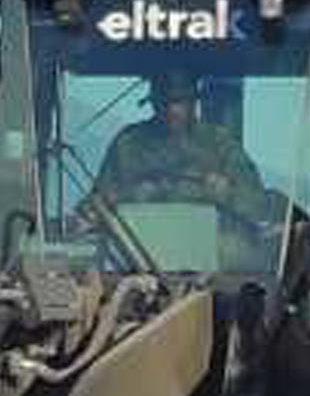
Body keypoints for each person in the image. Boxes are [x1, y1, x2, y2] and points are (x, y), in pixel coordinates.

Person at [83, 62, 289, 258]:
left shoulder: (221, 146)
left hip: (216, 269)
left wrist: (227, 194)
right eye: (165, 102)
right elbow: (96, 207)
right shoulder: (127, 144)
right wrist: (126, 196)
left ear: (193, 102)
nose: (172, 110)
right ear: (153, 102)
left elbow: (260, 209)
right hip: (135, 264)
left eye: (179, 102)